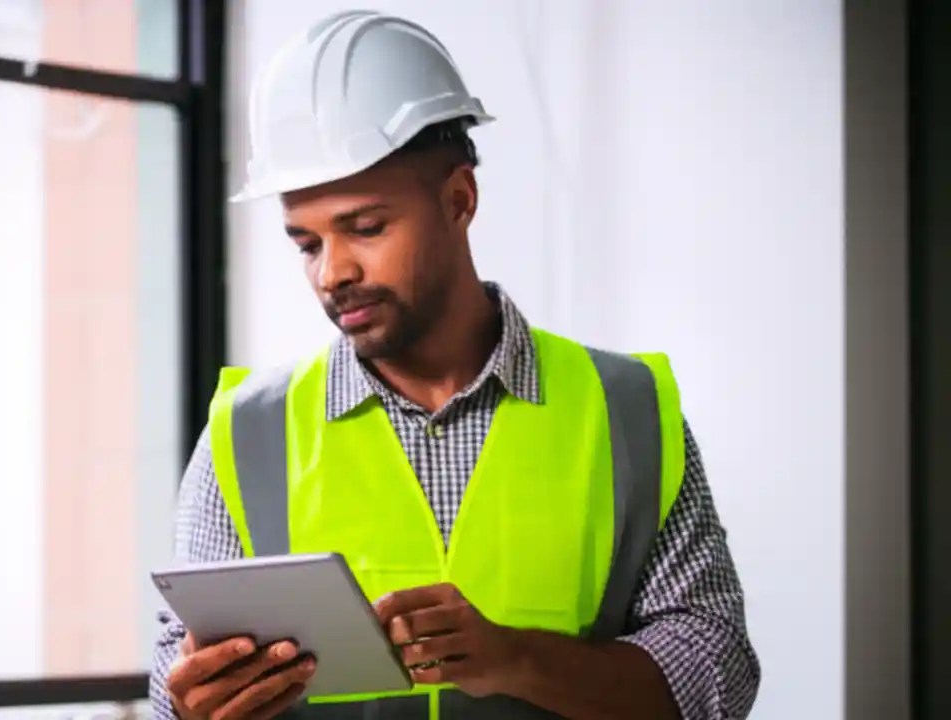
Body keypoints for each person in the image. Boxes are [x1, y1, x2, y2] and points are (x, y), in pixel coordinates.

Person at [151, 10, 759, 720]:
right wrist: (189, 705)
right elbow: (173, 674)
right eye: (307, 244)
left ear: (459, 200)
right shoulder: (245, 434)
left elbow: (718, 670)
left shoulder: (628, 410)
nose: (332, 273)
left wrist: (517, 660)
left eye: (366, 227)